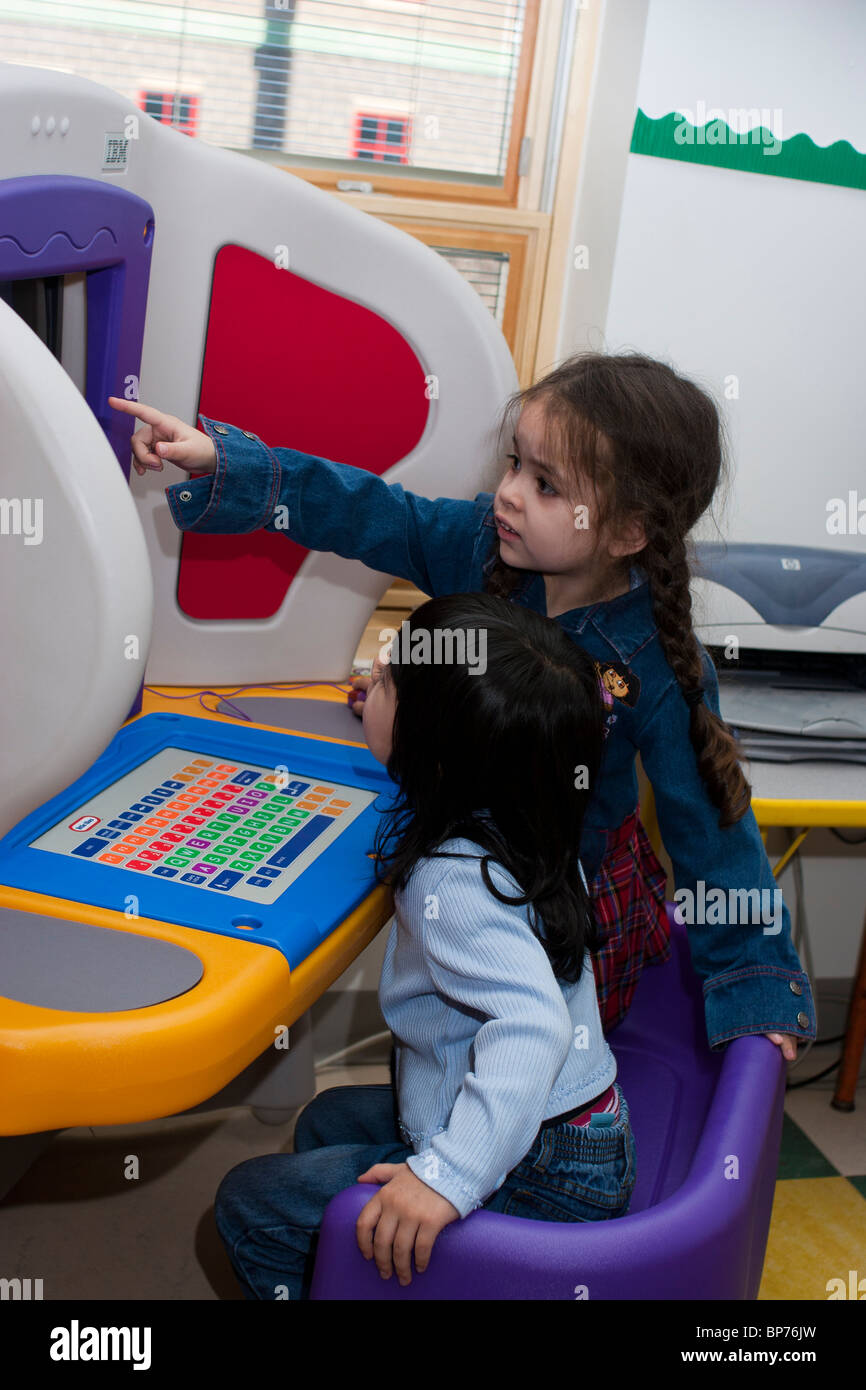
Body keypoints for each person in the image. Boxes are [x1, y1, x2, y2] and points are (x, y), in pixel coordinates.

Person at [107, 348, 815, 1059]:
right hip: (462, 879)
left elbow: (714, 829)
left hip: (563, 921)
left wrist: (758, 986)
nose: (508, 493)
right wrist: (235, 467)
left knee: (515, 1073)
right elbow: (374, 514)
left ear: (630, 531)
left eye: (544, 485)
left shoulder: (652, 664)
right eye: (515, 465)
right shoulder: (486, 545)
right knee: (444, 1058)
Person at [214, 593, 635, 1297]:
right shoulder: (530, 811)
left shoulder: (456, 881)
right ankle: (367, 1278)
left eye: (386, 683)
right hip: (580, 1126)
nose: (372, 675)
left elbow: (534, 1027)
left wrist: (446, 1179)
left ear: (433, 752)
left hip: (548, 1172)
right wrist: (396, 714)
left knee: (250, 1201)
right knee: (324, 1119)